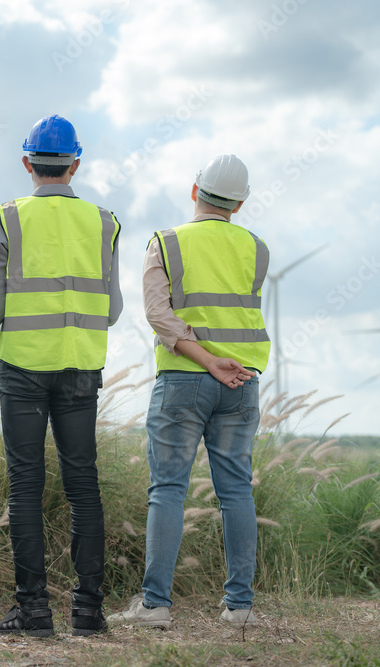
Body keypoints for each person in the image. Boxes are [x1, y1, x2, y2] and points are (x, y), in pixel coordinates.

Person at [0, 115, 122, 638]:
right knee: (84, 486)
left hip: (24, 368)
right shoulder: (105, 222)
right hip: (81, 367)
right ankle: (88, 613)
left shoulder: (7, 218)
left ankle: (33, 612)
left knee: (25, 486)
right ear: (76, 164)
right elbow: (113, 310)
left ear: (27, 162)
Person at [107, 154, 269, 629]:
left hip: (184, 379)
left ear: (195, 191)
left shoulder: (166, 242)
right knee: (236, 491)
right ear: (239, 204)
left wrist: (204, 359)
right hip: (242, 381)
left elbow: (158, 315)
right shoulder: (257, 248)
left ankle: (155, 606)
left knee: (168, 490)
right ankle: (240, 608)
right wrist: (222, 362)